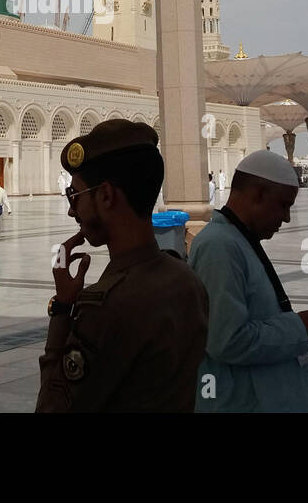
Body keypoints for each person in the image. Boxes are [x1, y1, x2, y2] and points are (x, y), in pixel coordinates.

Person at [36, 119, 208, 413]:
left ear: (105, 196)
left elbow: (54, 406)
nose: (71, 210)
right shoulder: (186, 279)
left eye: (74, 196)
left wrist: (64, 309)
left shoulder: (108, 307)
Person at [190, 150, 308, 412]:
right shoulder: (219, 246)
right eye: (283, 205)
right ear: (258, 194)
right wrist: (300, 327)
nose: (286, 218)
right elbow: (226, 341)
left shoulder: (238, 240)